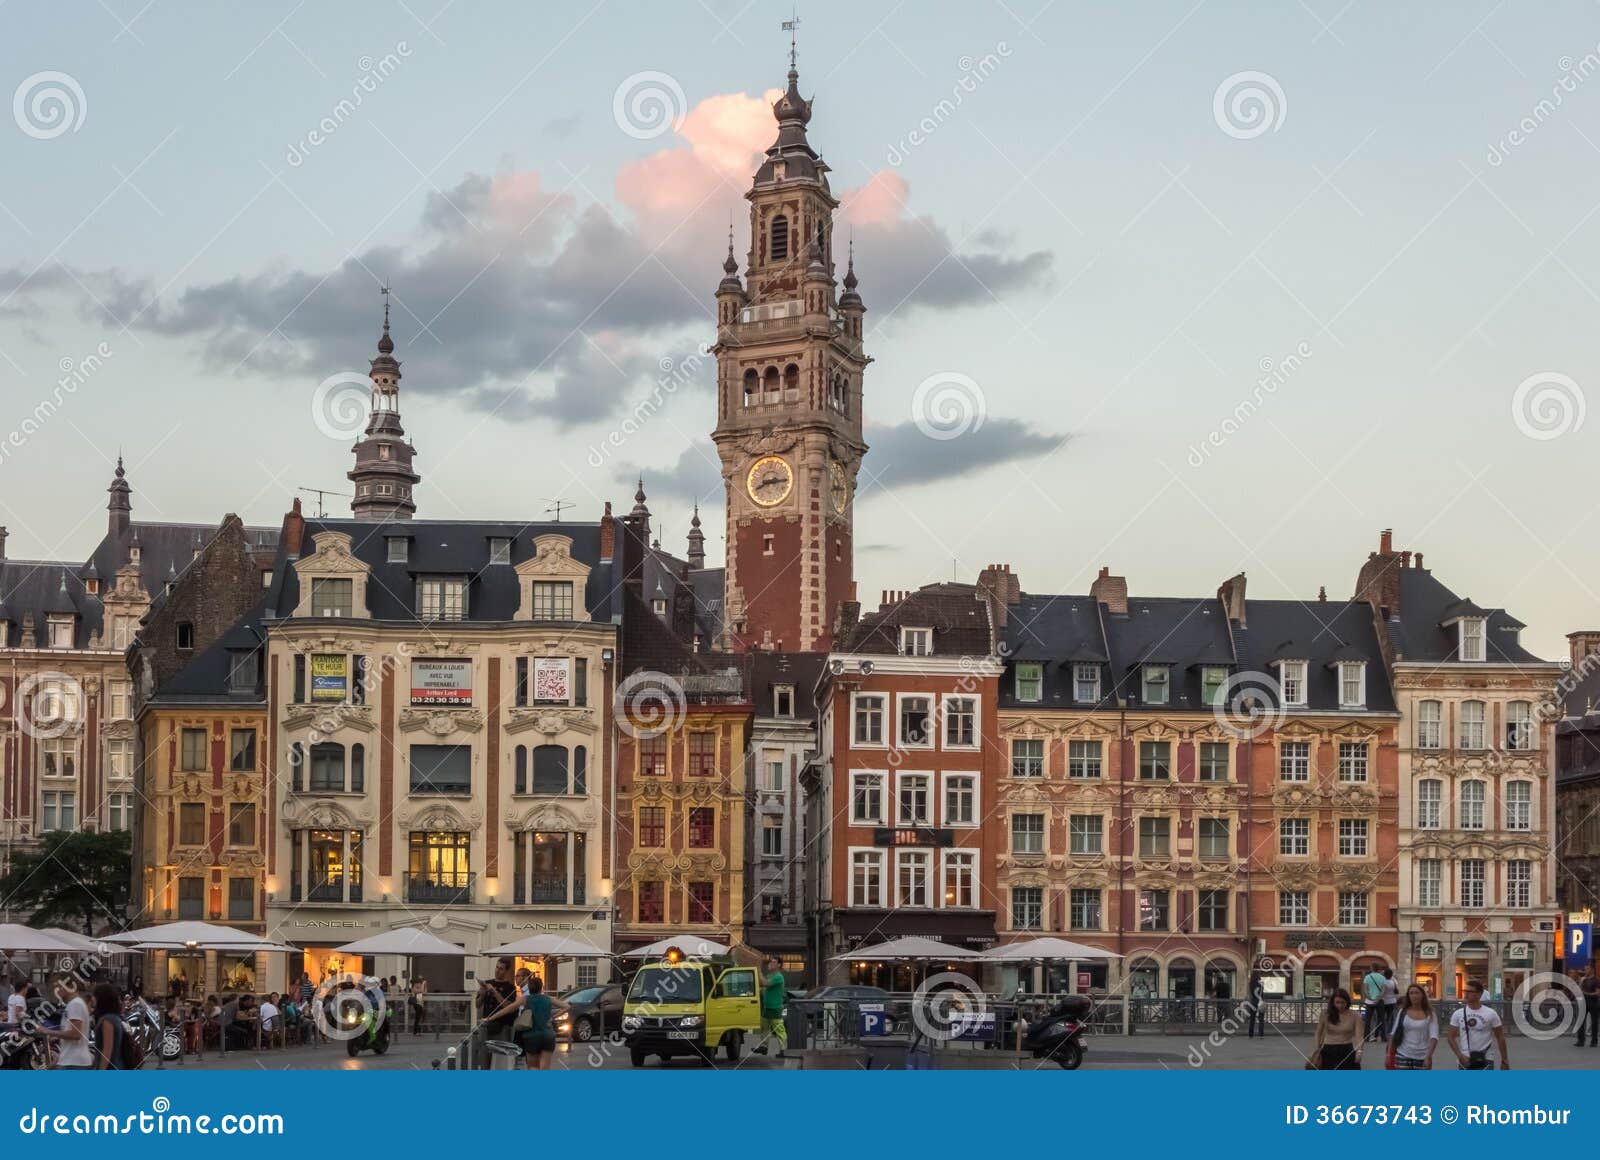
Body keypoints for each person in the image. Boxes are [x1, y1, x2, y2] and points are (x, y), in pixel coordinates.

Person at [1447, 980, 1508, 1069]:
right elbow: (1450, 1037)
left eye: (1469, 991)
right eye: (1465, 991)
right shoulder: (1458, 1013)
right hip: (1465, 1060)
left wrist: (1505, 1060)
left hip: (1486, 1059)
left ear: (1479, 994)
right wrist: (1460, 1055)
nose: (1466, 994)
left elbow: (1500, 1037)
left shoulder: (1491, 1013)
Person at [516, 974, 566, 1070]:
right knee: (545, 1068)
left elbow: (508, 1009)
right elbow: (566, 1006)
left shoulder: (526, 999)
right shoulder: (548, 999)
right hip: (548, 1035)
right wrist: (553, 1017)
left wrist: (490, 1018)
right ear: (541, 987)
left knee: (533, 1067)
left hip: (531, 1036)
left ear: (529, 988)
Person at [1310, 988, 1362, 1070]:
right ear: (1332, 1002)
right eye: (1337, 1002)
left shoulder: (1355, 1015)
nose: (1340, 1006)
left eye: (1343, 1002)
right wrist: (1317, 1050)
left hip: (1347, 1049)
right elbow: (1318, 1032)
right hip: (1328, 1049)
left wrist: (1359, 1051)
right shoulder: (1325, 1014)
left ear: (1347, 1002)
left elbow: (1359, 1036)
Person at [1389, 984, 1437, 1069]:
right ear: (1408, 996)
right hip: (1403, 1054)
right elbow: (1393, 1033)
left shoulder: (1430, 1013)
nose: (1414, 996)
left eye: (1417, 993)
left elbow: (1434, 1037)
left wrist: (1428, 1056)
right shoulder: (1402, 1011)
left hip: (1422, 1055)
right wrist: (1388, 1054)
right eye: (1411, 993)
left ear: (1422, 995)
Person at [479, 958, 521, 1054]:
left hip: (502, 1027)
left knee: (500, 1056)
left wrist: (494, 992)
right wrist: (482, 994)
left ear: (506, 971)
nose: (497, 970)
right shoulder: (487, 983)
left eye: (501, 969)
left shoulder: (510, 987)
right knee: (485, 1057)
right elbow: (478, 1005)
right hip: (486, 1025)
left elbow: (508, 1006)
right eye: (496, 967)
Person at [48, 987, 94, 1070]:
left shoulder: (75, 1004)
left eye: (58, 987)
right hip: (70, 1061)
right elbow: (70, 1043)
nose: (56, 991)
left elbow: (75, 1034)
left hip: (74, 1063)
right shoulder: (73, 1004)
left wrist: (48, 1031)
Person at [752, 955, 788, 1057]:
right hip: (766, 1007)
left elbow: (764, 983)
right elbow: (762, 986)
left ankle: (783, 1050)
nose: (770, 964)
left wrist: (758, 971)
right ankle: (764, 1047)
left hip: (774, 1008)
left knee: (779, 1029)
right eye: (770, 962)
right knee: (765, 1029)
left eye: (773, 962)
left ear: (779, 965)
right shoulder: (770, 975)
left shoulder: (778, 977)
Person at [89, 983, 124, 1070]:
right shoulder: (115, 1017)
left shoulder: (107, 1020)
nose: (92, 998)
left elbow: (107, 1051)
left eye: (94, 995)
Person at [1360, 965, 1386, 1041]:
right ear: (1378, 969)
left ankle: (1366, 1037)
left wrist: (1370, 998)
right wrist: (1378, 999)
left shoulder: (1367, 977)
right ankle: (1383, 1037)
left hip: (1369, 1001)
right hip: (1380, 1001)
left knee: (1368, 1020)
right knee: (1382, 1020)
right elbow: (1383, 990)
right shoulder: (1382, 977)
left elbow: (1365, 990)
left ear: (1371, 968)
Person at [1577, 967, 1600, 1047]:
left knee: (1594, 1023)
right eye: (1585, 969)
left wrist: (1586, 993)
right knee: (1581, 1022)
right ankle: (1581, 1041)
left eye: (1587, 969)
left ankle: (1594, 1041)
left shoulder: (1596, 980)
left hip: (1594, 1004)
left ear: (1591, 970)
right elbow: (1579, 990)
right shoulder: (1584, 980)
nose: (1585, 971)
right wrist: (1581, 981)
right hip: (1584, 1003)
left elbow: (1597, 993)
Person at [1378, 969, 1399, 1040]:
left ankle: (1383, 1033)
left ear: (1384, 975)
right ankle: (1390, 1032)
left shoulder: (1383, 982)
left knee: (1383, 1018)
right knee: (1391, 1018)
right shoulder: (1394, 981)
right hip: (1392, 1001)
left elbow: (1382, 992)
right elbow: (1397, 991)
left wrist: (1377, 999)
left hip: (1384, 1001)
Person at [1246, 970, 1267, 1038]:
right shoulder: (1261, 983)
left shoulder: (1251, 983)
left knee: (1252, 1019)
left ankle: (1250, 1034)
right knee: (1261, 1019)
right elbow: (1262, 993)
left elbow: (1252, 993)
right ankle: (1261, 1035)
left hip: (1253, 1001)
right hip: (1260, 1001)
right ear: (1258, 975)